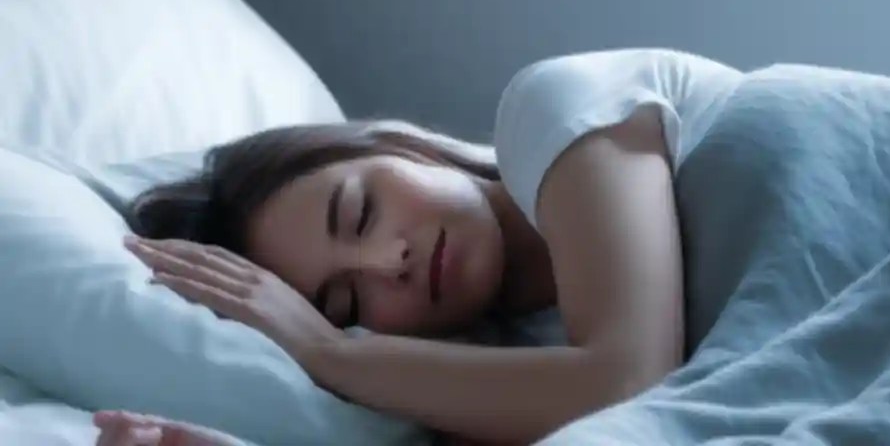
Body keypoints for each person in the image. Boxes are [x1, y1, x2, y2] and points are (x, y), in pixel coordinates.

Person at [94, 49, 744, 446]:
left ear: (399, 144)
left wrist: (326, 349)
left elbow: (628, 385)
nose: (387, 263)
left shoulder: (556, 110)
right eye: (349, 300)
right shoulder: (518, 370)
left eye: (360, 212)